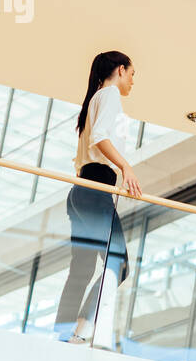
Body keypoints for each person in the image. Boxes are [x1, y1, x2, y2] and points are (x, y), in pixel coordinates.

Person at [54, 50, 142, 345]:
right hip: (95, 189)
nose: (132, 81)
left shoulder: (94, 99)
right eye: (132, 74)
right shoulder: (110, 95)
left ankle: (64, 331)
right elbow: (99, 138)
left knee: (83, 266)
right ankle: (80, 333)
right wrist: (125, 166)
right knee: (119, 262)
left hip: (81, 191)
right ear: (120, 70)